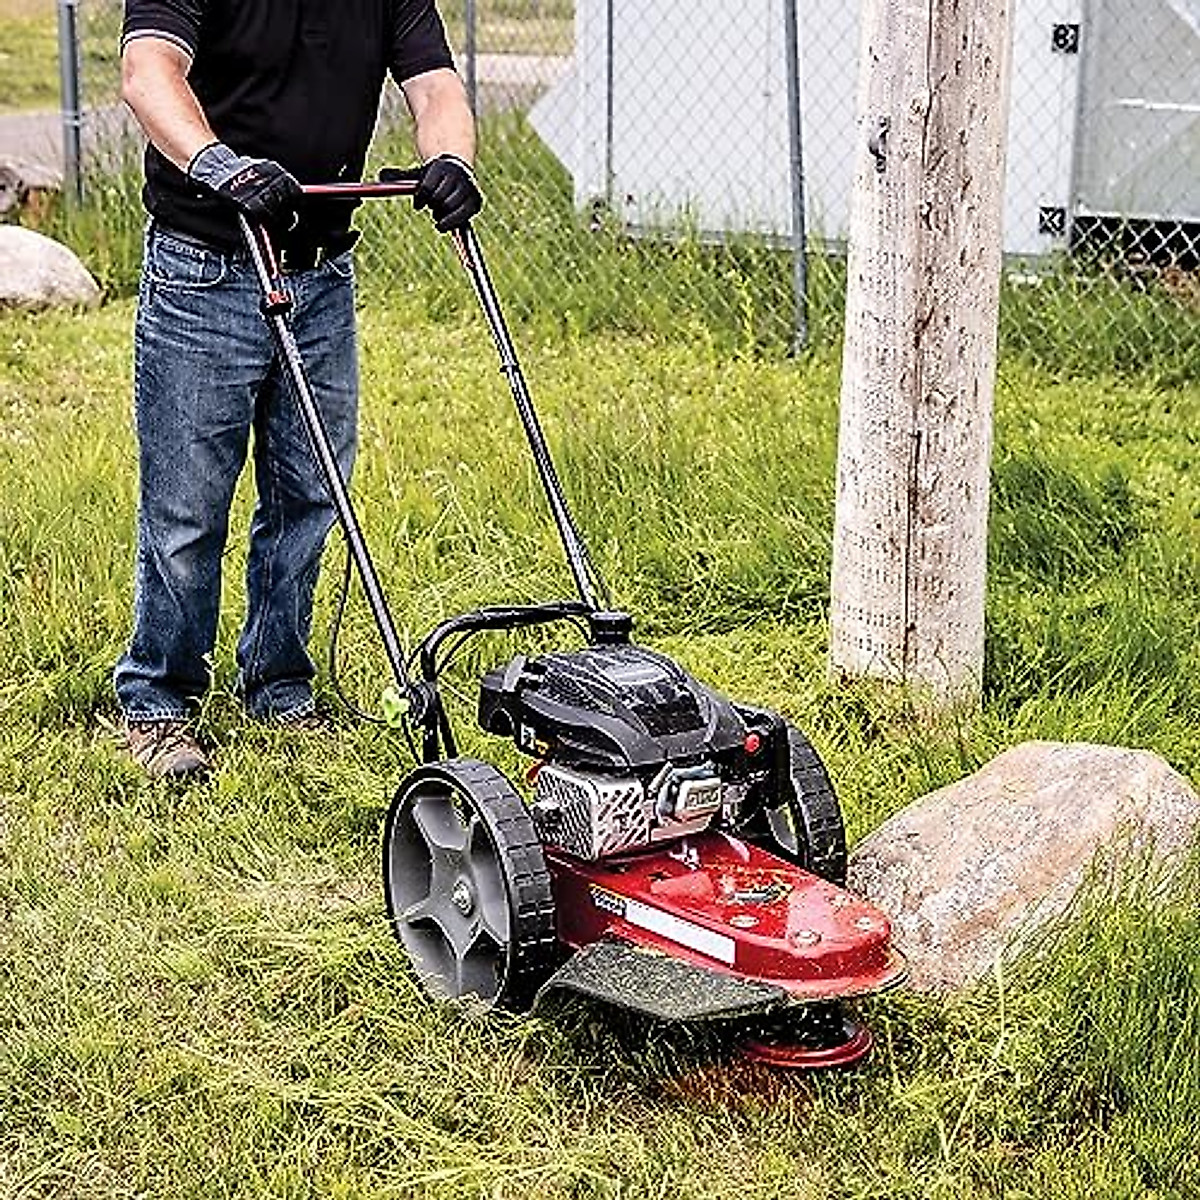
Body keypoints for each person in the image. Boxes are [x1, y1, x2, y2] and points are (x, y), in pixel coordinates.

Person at [114, 0, 482, 779]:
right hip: (205, 265)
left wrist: (451, 159)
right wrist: (221, 165)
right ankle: (157, 702)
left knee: (311, 494)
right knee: (187, 509)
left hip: (320, 273)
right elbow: (149, 75)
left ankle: (278, 686)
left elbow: (435, 84)